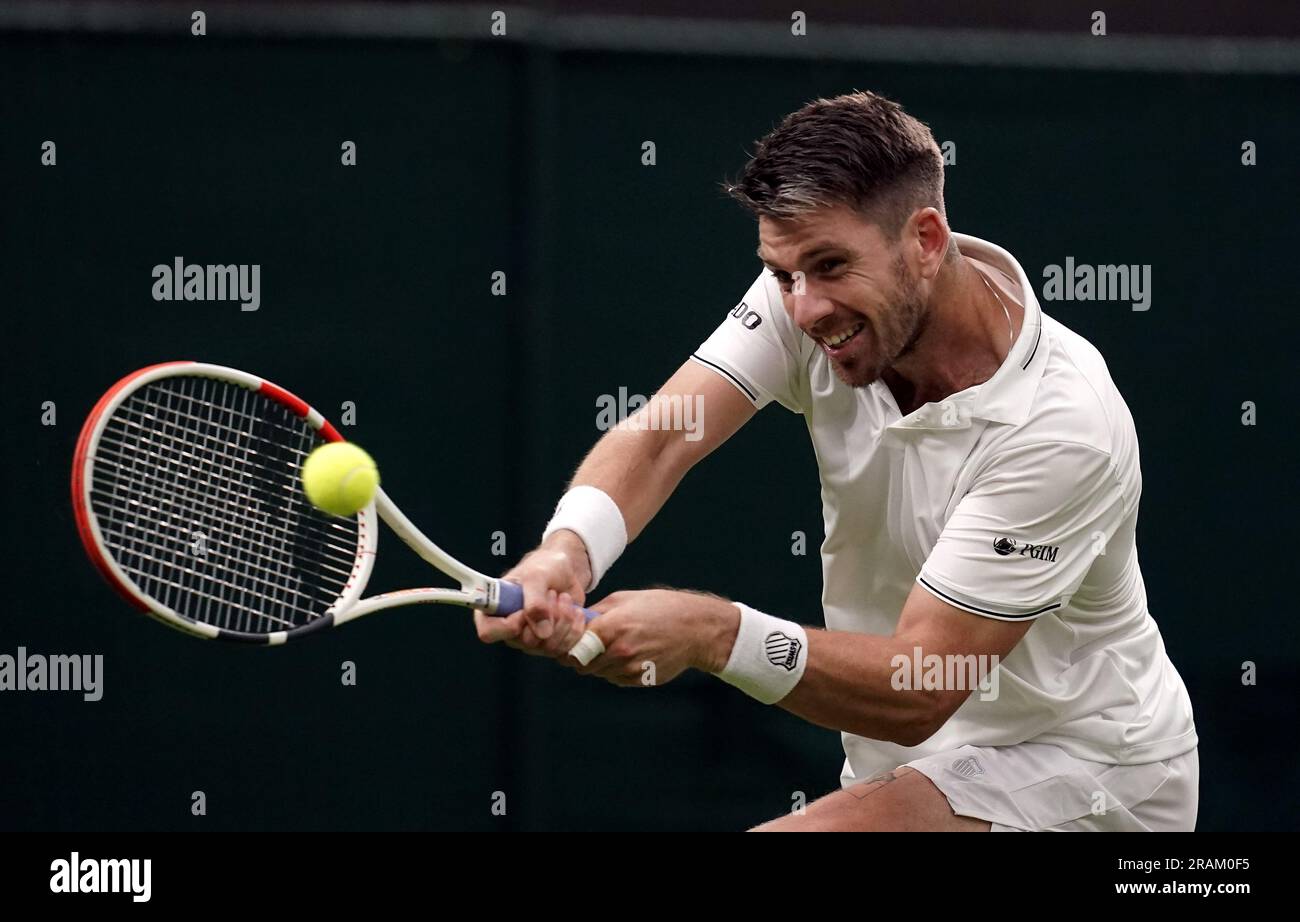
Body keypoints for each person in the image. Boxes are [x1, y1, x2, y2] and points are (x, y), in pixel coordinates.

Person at [474, 91, 1198, 831]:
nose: (805, 307)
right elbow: (663, 434)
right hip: (909, 768)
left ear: (924, 239)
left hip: (1092, 777)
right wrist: (567, 552)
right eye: (782, 274)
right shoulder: (812, 299)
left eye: (828, 266)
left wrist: (711, 633)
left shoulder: (1061, 428)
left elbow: (922, 684)